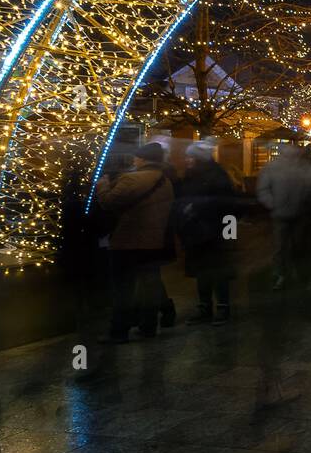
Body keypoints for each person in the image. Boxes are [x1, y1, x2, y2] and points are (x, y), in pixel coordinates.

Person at [95, 142, 175, 342]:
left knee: (123, 289)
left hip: (127, 242)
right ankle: (148, 327)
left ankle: (118, 332)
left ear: (143, 158)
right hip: (154, 242)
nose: (133, 160)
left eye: (136, 157)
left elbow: (109, 202)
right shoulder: (165, 180)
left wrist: (103, 185)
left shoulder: (132, 180)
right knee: (149, 286)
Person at [175, 140, 239, 325]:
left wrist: (230, 235)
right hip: (197, 233)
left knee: (218, 272)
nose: (187, 160)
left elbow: (228, 205)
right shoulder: (190, 176)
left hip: (214, 232)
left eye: (190, 157)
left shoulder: (217, 175)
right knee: (202, 272)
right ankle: (205, 307)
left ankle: (222, 308)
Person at [257, 143, 311, 290]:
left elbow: (263, 189)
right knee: (285, 246)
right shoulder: (296, 168)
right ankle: (287, 275)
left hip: (291, 213)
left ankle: (287, 275)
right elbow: (263, 190)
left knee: (290, 246)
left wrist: (273, 204)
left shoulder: (297, 167)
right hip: (287, 213)